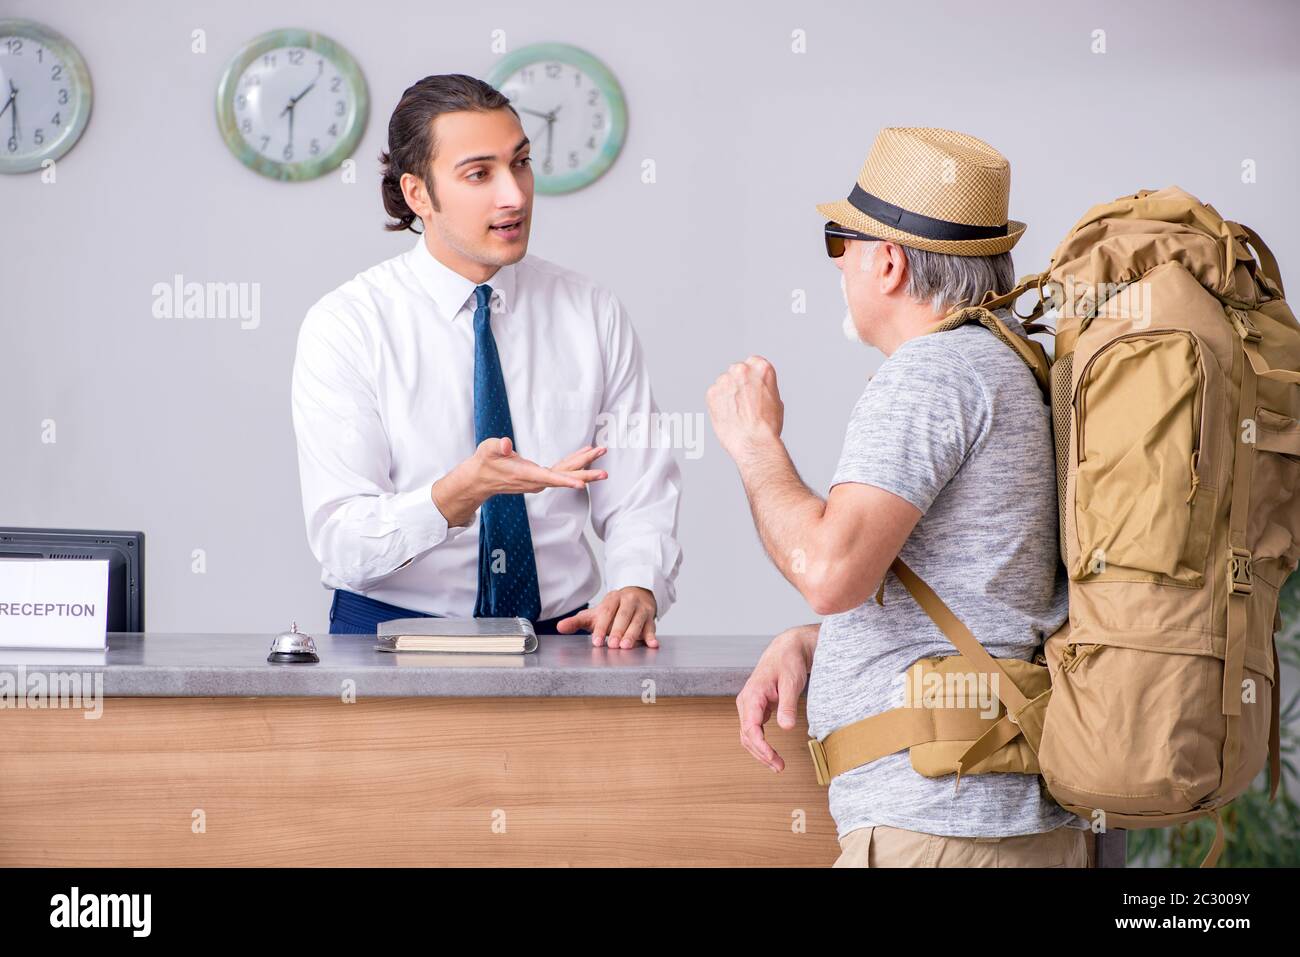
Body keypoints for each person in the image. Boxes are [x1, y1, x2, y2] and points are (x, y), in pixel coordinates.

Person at [706, 127, 1089, 866]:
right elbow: (992, 595)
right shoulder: (1014, 367)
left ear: (888, 261)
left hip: (940, 828)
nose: (838, 264)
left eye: (838, 242)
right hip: (998, 816)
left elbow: (827, 571)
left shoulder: (932, 373)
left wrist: (754, 443)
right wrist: (816, 643)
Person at [292, 74, 681, 647]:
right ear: (419, 194)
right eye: (479, 174)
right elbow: (343, 541)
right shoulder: (348, 325)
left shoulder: (590, 312)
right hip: (390, 640)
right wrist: (454, 495)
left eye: (520, 163)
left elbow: (638, 495)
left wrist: (637, 583)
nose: (515, 195)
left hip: (563, 639)